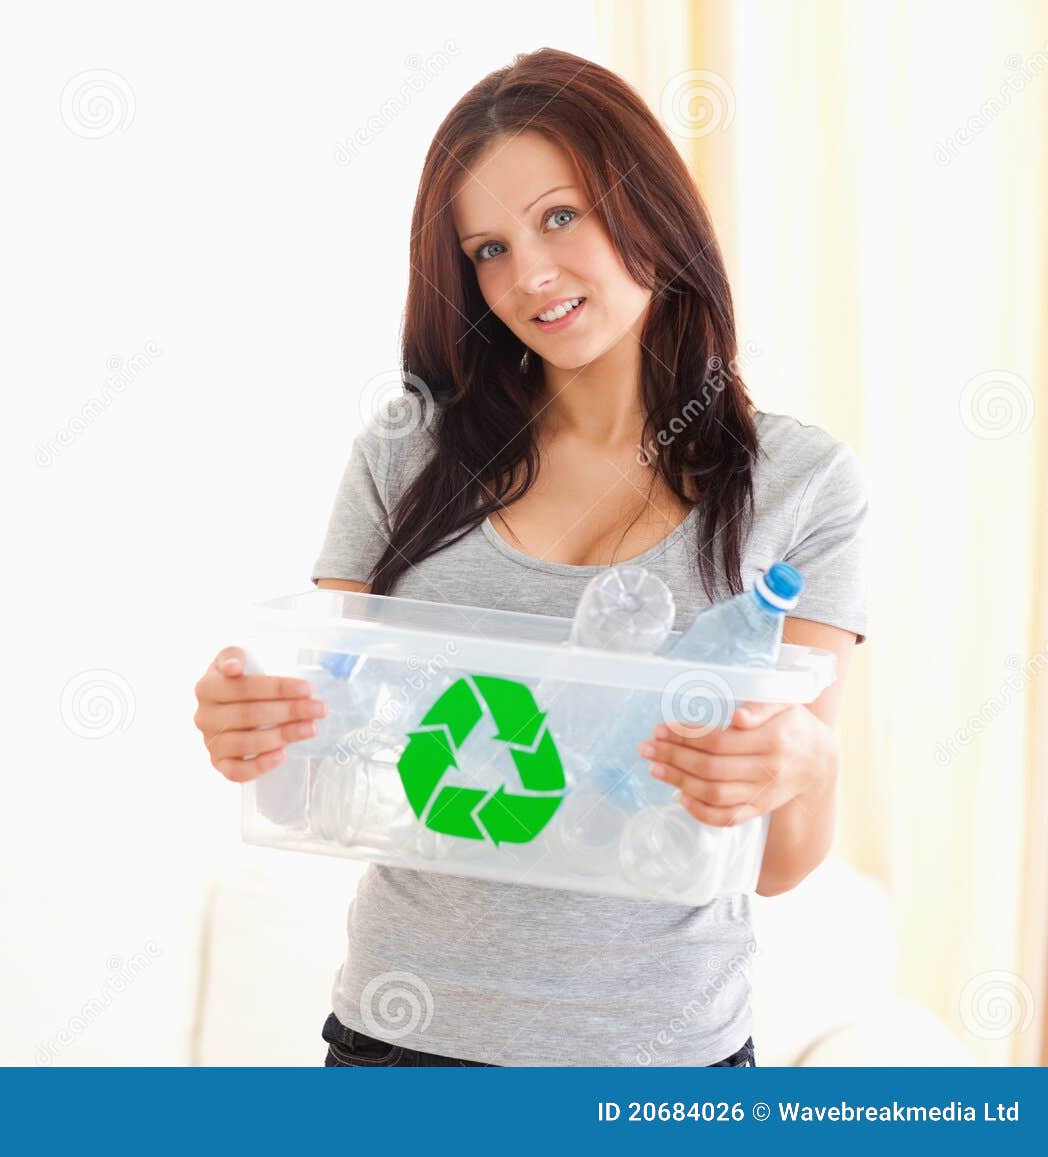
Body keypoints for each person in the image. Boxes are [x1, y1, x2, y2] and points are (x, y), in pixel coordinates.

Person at [191, 47, 868, 1067]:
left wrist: (811, 761)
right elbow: (314, 782)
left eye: (560, 217)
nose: (530, 276)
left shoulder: (800, 484)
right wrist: (256, 729)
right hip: (399, 1046)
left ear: (647, 205)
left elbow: (776, 863)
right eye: (488, 249)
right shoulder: (404, 454)